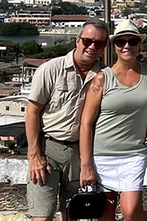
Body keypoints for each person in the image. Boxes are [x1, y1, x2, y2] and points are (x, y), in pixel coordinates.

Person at [26, 18, 109, 221]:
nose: (91, 46)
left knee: (74, 212)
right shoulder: (51, 69)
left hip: (81, 152)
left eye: (98, 43)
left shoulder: (105, 75)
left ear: (104, 47)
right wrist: (34, 155)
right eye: (87, 40)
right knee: (42, 214)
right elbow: (32, 112)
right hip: (49, 148)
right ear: (77, 40)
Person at [79, 20, 147, 221]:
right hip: (102, 155)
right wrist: (86, 164)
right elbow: (86, 123)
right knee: (106, 214)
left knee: (131, 211)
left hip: (133, 154)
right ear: (114, 46)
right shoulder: (102, 79)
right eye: (121, 42)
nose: (127, 46)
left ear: (140, 45)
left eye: (132, 41)